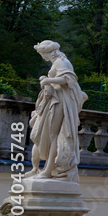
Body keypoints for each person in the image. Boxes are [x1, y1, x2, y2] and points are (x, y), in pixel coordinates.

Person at [26, 41, 87, 182]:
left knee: (54, 136)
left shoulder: (61, 62)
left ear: (48, 52)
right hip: (54, 99)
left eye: (42, 54)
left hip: (60, 101)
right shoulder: (58, 61)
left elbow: (69, 79)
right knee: (44, 134)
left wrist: (48, 81)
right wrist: (47, 80)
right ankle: (38, 169)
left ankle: (48, 170)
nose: (42, 57)